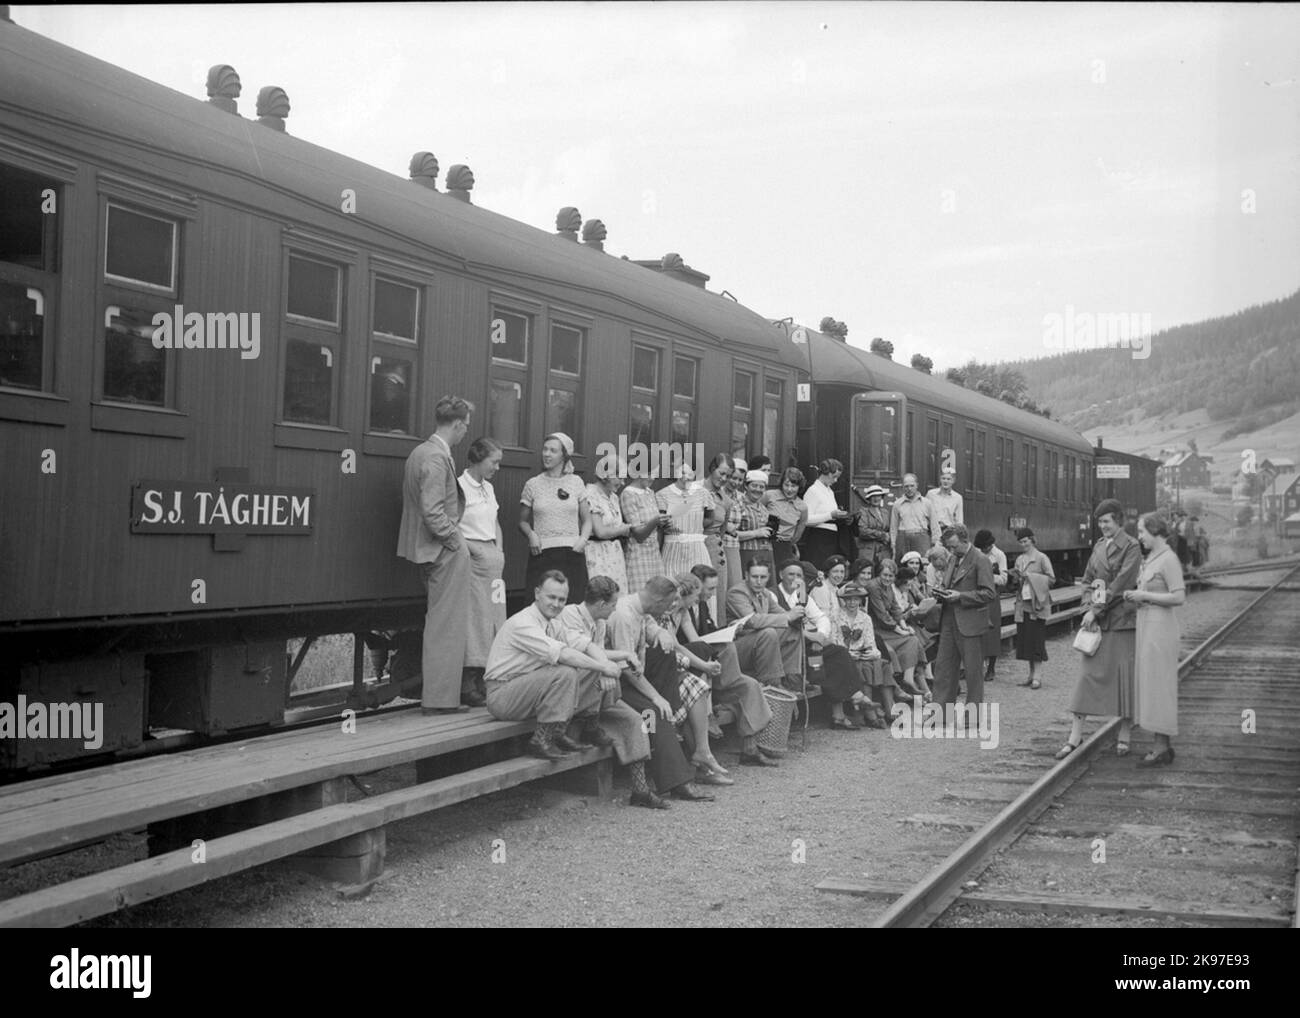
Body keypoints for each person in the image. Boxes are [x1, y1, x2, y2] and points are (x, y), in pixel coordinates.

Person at [557, 576, 671, 809]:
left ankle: (640, 791)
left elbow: (599, 652)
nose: (615, 608)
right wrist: (614, 666)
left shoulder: (599, 622)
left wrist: (624, 657)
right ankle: (586, 724)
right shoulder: (570, 615)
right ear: (601, 604)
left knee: (637, 721)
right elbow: (582, 654)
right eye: (612, 604)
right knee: (608, 676)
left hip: (596, 695)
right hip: (567, 692)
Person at [484, 570, 623, 760]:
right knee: (565, 671)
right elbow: (564, 655)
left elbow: (586, 645)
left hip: (528, 690)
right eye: (551, 597)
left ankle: (573, 730)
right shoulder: (523, 622)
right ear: (537, 593)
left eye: (561, 599)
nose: (556, 604)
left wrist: (604, 665)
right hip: (502, 695)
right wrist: (604, 667)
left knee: (590, 668)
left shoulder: (552, 623)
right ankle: (541, 740)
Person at [397, 394, 474, 714]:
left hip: (427, 551)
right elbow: (433, 511)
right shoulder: (437, 458)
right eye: (465, 426)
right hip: (443, 552)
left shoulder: (420, 451)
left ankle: (439, 698)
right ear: (456, 424)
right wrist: (453, 540)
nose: (466, 432)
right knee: (448, 626)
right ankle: (441, 702)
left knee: (440, 623)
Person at [607, 576, 716, 802]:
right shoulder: (624, 616)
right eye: (668, 604)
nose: (669, 609)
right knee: (653, 715)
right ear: (657, 600)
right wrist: (656, 697)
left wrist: (663, 634)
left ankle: (677, 776)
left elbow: (652, 627)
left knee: (660, 707)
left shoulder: (641, 608)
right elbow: (627, 669)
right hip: (615, 685)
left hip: (637, 678)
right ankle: (677, 783)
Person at [1056, 499, 1140, 760]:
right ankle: (1075, 736)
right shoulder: (1099, 546)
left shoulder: (1132, 547)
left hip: (1122, 623)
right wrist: (1086, 607)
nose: (1102, 526)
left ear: (1118, 521)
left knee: (1122, 680)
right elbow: (1088, 579)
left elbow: (1120, 584)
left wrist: (1096, 610)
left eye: (1107, 521)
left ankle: (1124, 733)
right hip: (1098, 622)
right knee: (1086, 678)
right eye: (1100, 522)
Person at [673, 568, 778, 767]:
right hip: (692, 667)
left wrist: (731, 630)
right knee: (729, 652)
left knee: (750, 685)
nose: (712, 594)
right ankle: (720, 698)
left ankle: (750, 749)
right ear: (696, 586)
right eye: (709, 588)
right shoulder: (679, 610)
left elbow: (707, 635)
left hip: (713, 667)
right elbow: (688, 645)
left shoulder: (700, 605)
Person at [1124, 515, 1185, 766]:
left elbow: (1178, 596)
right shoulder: (1152, 559)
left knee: (1160, 685)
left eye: (1141, 531)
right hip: (1148, 624)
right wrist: (1138, 597)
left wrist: (1143, 594)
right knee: (1152, 684)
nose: (1139, 536)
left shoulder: (1169, 559)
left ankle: (1161, 748)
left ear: (1155, 531)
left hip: (1160, 628)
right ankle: (1161, 745)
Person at [457, 436, 506, 707]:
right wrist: (471, 551)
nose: (496, 468)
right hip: (473, 558)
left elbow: (495, 521)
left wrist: (499, 549)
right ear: (478, 458)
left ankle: (487, 679)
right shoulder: (459, 485)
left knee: (495, 619)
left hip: (492, 558)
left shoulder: (488, 488)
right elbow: (453, 524)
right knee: (475, 619)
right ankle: (468, 684)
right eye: (494, 462)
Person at [519, 433, 590, 603]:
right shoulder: (533, 484)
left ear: (564, 455)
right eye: (545, 449)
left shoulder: (576, 482)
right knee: (542, 606)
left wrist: (583, 540)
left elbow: (587, 520)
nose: (546, 454)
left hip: (572, 555)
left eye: (553, 450)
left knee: (572, 606)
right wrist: (531, 535)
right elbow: (522, 521)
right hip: (542, 555)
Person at [932, 525, 997, 706]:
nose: (951, 551)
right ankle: (940, 715)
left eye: (954, 546)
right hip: (948, 620)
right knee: (943, 669)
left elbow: (989, 593)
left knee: (973, 673)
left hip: (970, 623)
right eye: (949, 547)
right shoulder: (954, 558)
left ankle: (972, 717)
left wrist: (961, 596)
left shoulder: (980, 560)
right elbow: (949, 583)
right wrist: (941, 592)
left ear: (965, 540)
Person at [725, 558, 806, 692]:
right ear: (746, 576)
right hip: (738, 647)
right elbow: (752, 620)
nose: (758, 581)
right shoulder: (737, 592)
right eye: (754, 577)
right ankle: (772, 683)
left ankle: (790, 677)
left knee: (792, 629)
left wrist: (796, 618)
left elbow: (782, 614)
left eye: (763, 577)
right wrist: (788, 616)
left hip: (760, 643)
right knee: (769, 632)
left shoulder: (765, 593)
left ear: (768, 577)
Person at [828, 583, 896, 727]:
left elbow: (871, 643)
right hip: (843, 657)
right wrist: (848, 654)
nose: (852, 603)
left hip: (861, 654)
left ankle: (890, 710)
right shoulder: (835, 616)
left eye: (856, 599)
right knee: (864, 666)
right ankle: (870, 715)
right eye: (848, 599)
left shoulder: (865, 618)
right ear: (843, 600)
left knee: (882, 664)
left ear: (860, 600)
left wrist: (873, 654)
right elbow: (833, 641)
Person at [867, 558, 926, 700]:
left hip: (887, 627)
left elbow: (895, 608)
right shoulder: (874, 587)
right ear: (879, 574)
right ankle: (911, 682)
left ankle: (908, 679)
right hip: (877, 629)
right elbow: (882, 615)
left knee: (912, 638)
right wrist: (900, 630)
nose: (887, 578)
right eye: (884, 575)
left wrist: (905, 626)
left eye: (891, 576)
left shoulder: (889, 586)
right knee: (909, 639)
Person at [1011, 527, 1054, 690]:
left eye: (1025, 541)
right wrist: (1015, 577)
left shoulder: (1042, 558)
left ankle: (1038, 675)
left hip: (1037, 605)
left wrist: (1031, 577)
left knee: (1036, 639)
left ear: (1032, 540)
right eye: (1021, 542)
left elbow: (1051, 579)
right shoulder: (1020, 559)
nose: (1023, 545)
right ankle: (1030, 674)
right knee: (1026, 640)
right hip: (1023, 604)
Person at [694, 453, 735, 619]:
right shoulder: (694, 490)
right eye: (721, 473)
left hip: (714, 550)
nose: (724, 478)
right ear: (712, 469)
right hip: (694, 546)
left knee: (715, 596)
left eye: (728, 476)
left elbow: (722, 530)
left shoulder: (726, 501)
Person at [619, 460, 668, 594]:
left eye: (655, 475)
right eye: (650, 473)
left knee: (657, 598)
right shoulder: (628, 494)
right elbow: (638, 534)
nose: (653, 478)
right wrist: (655, 521)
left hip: (654, 553)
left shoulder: (649, 492)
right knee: (641, 598)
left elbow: (653, 524)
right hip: (638, 555)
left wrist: (661, 522)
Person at [657, 463, 712, 583]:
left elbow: (710, 518)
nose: (685, 477)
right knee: (673, 586)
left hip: (697, 549)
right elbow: (660, 523)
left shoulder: (703, 493)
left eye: (689, 473)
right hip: (673, 549)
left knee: (700, 584)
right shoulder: (662, 494)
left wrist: (693, 529)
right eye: (681, 472)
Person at [584, 459, 631, 595]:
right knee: (601, 595)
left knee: (617, 596)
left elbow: (615, 525)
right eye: (619, 478)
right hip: (597, 554)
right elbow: (600, 531)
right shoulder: (591, 495)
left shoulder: (613, 497)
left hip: (614, 553)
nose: (623, 483)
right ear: (606, 475)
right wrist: (623, 530)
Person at [801, 459, 851, 566]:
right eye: (834, 477)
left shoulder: (829, 491)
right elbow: (806, 520)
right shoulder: (813, 491)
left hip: (831, 538)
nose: (836, 480)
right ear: (826, 473)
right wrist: (830, 515)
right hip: (819, 539)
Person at [973, 529, 1007, 683]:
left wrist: (987, 576)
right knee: (976, 631)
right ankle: (975, 667)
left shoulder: (999, 555)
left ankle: (991, 667)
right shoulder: (976, 554)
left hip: (992, 596)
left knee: (992, 631)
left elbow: (1004, 579)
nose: (983, 550)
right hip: (977, 595)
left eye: (985, 547)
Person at [736, 469, 777, 585]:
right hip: (746, 554)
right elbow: (730, 534)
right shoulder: (738, 505)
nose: (758, 490)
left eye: (761, 487)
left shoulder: (763, 508)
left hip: (766, 554)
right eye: (754, 485)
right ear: (746, 486)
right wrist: (756, 533)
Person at [765, 466, 809, 567]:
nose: (789, 489)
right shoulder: (769, 496)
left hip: (785, 547)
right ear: (781, 484)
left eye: (793, 486)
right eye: (786, 485)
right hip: (766, 543)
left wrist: (787, 542)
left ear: (799, 486)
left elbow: (798, 532)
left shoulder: (802, 507)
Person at [890, 473, 933, 560]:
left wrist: (935, 543)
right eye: (906, 486)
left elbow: (934, 525)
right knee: (903, 566)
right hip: (903, 538)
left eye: (912, 486)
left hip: (921, 537)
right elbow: (893, 527)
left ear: (917, 485)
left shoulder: (927, 503)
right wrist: (893, 544)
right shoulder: (897, 504)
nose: (909, 489)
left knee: (922, 564)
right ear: (902, 487)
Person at [721, 457, 748, 596]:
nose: (735, 482)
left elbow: (740, 524)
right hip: (718, 542)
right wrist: (726, 525)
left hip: (733, 544)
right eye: (733, 478)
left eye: (740, 480)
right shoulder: (717, 492)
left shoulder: (741, 497)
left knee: (734, 586)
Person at [853, 484, 892, 565]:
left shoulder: (886, 512)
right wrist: (882, 535)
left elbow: (890, 530)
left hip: (883, 552)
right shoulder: (863, 511)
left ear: (882, 497)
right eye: (873, 496)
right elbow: (862, 531)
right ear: (869, 498)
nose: (876, 498)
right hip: (868, 551)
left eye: (878, 496)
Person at [926, 469, 964, 545]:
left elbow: (959, 519)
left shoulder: (957, 498)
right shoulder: (931, 494)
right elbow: (925, 512)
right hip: (932, 530)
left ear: (953, 481)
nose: (945, 481)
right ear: (940, 479)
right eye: (943, 478)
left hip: (948, 531)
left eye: (948, 479)